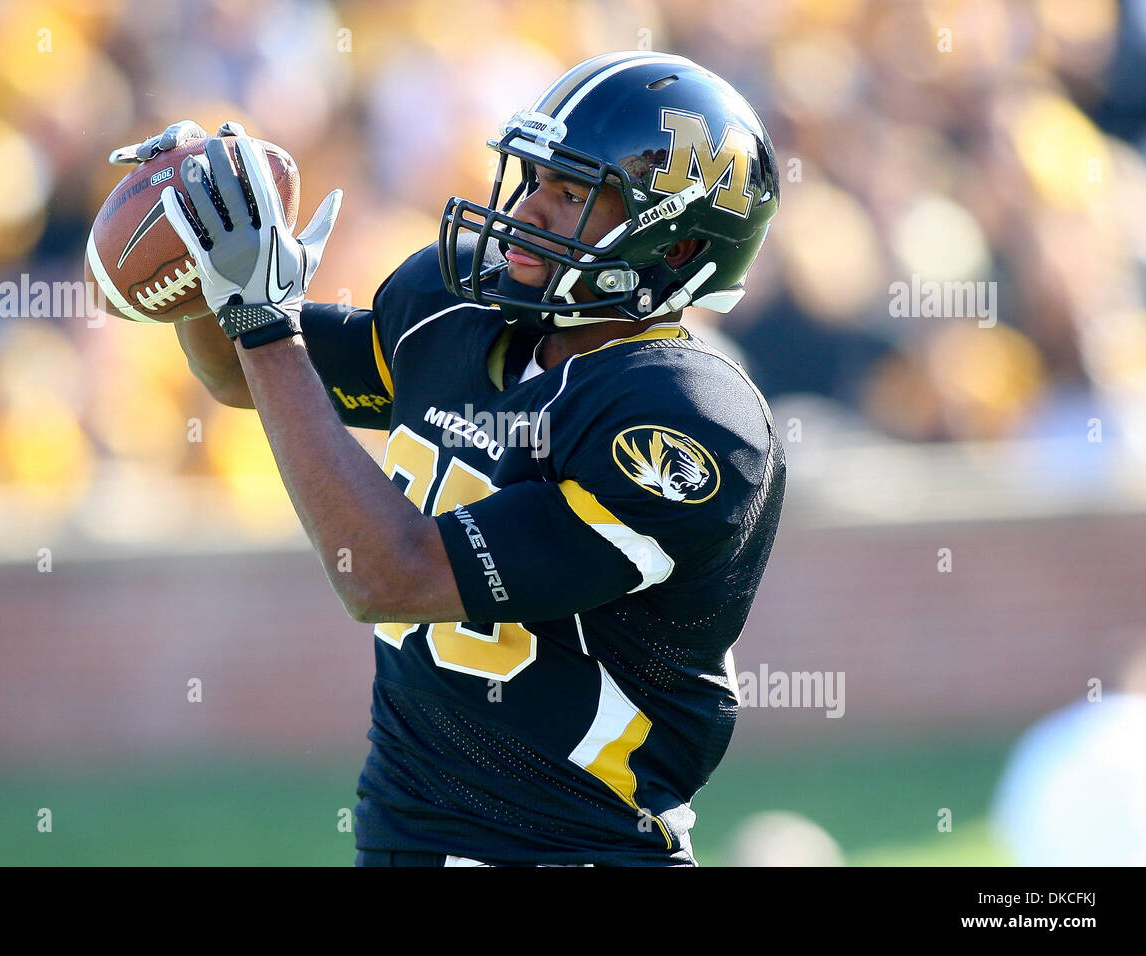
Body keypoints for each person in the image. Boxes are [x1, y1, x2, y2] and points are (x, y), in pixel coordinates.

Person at [112, 50, 784, 866]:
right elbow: (242, 375)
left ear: (673, 249)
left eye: (570, 194)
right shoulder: (456, 309)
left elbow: (391, 576)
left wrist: (263, 322)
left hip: (574, 850)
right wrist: (209, 258)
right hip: (402, 838)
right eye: (532, 176)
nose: (529, 209)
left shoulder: (682, 418)